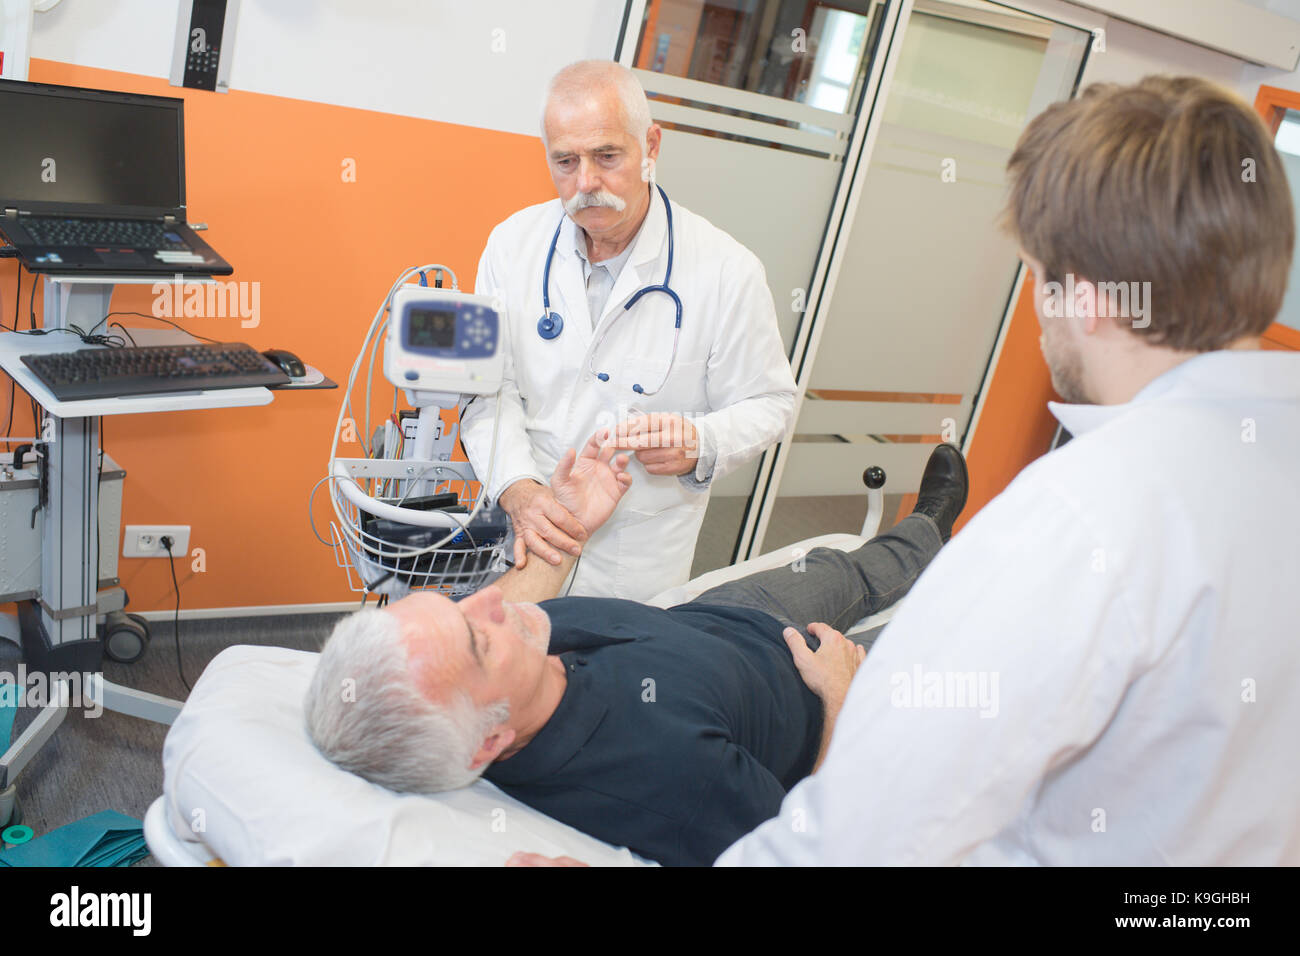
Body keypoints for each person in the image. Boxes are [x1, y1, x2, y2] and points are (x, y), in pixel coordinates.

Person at [709, 76, 1300, 866]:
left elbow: (860, 842)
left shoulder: (1084, 517)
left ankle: (923, 528)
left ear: (1086, 298)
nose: (1036, 302)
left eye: (1035, 272)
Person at [305, 432, 969, 866]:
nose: (490, 601)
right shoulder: (668, 779)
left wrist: (571, 525)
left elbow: (514, 603)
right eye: (477, 637)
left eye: (457, 605)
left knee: (848, 567)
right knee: (953, 638)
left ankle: (927, 527)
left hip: (716, 624)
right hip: (803, 691)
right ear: (486, 746)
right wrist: (842, 705)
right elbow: (804, 846)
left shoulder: (514, 667)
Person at [459, 59, 797, 601]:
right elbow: (484, 389)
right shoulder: (511, 245)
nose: (586, 182)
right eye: (565, 161)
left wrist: (702, 442)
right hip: (525, 528)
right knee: (509, 668)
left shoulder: (726, 270)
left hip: (635, 555)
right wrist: (516, 487)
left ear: (652, 145)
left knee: (615, 680)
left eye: (607, 156)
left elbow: (770, 402)